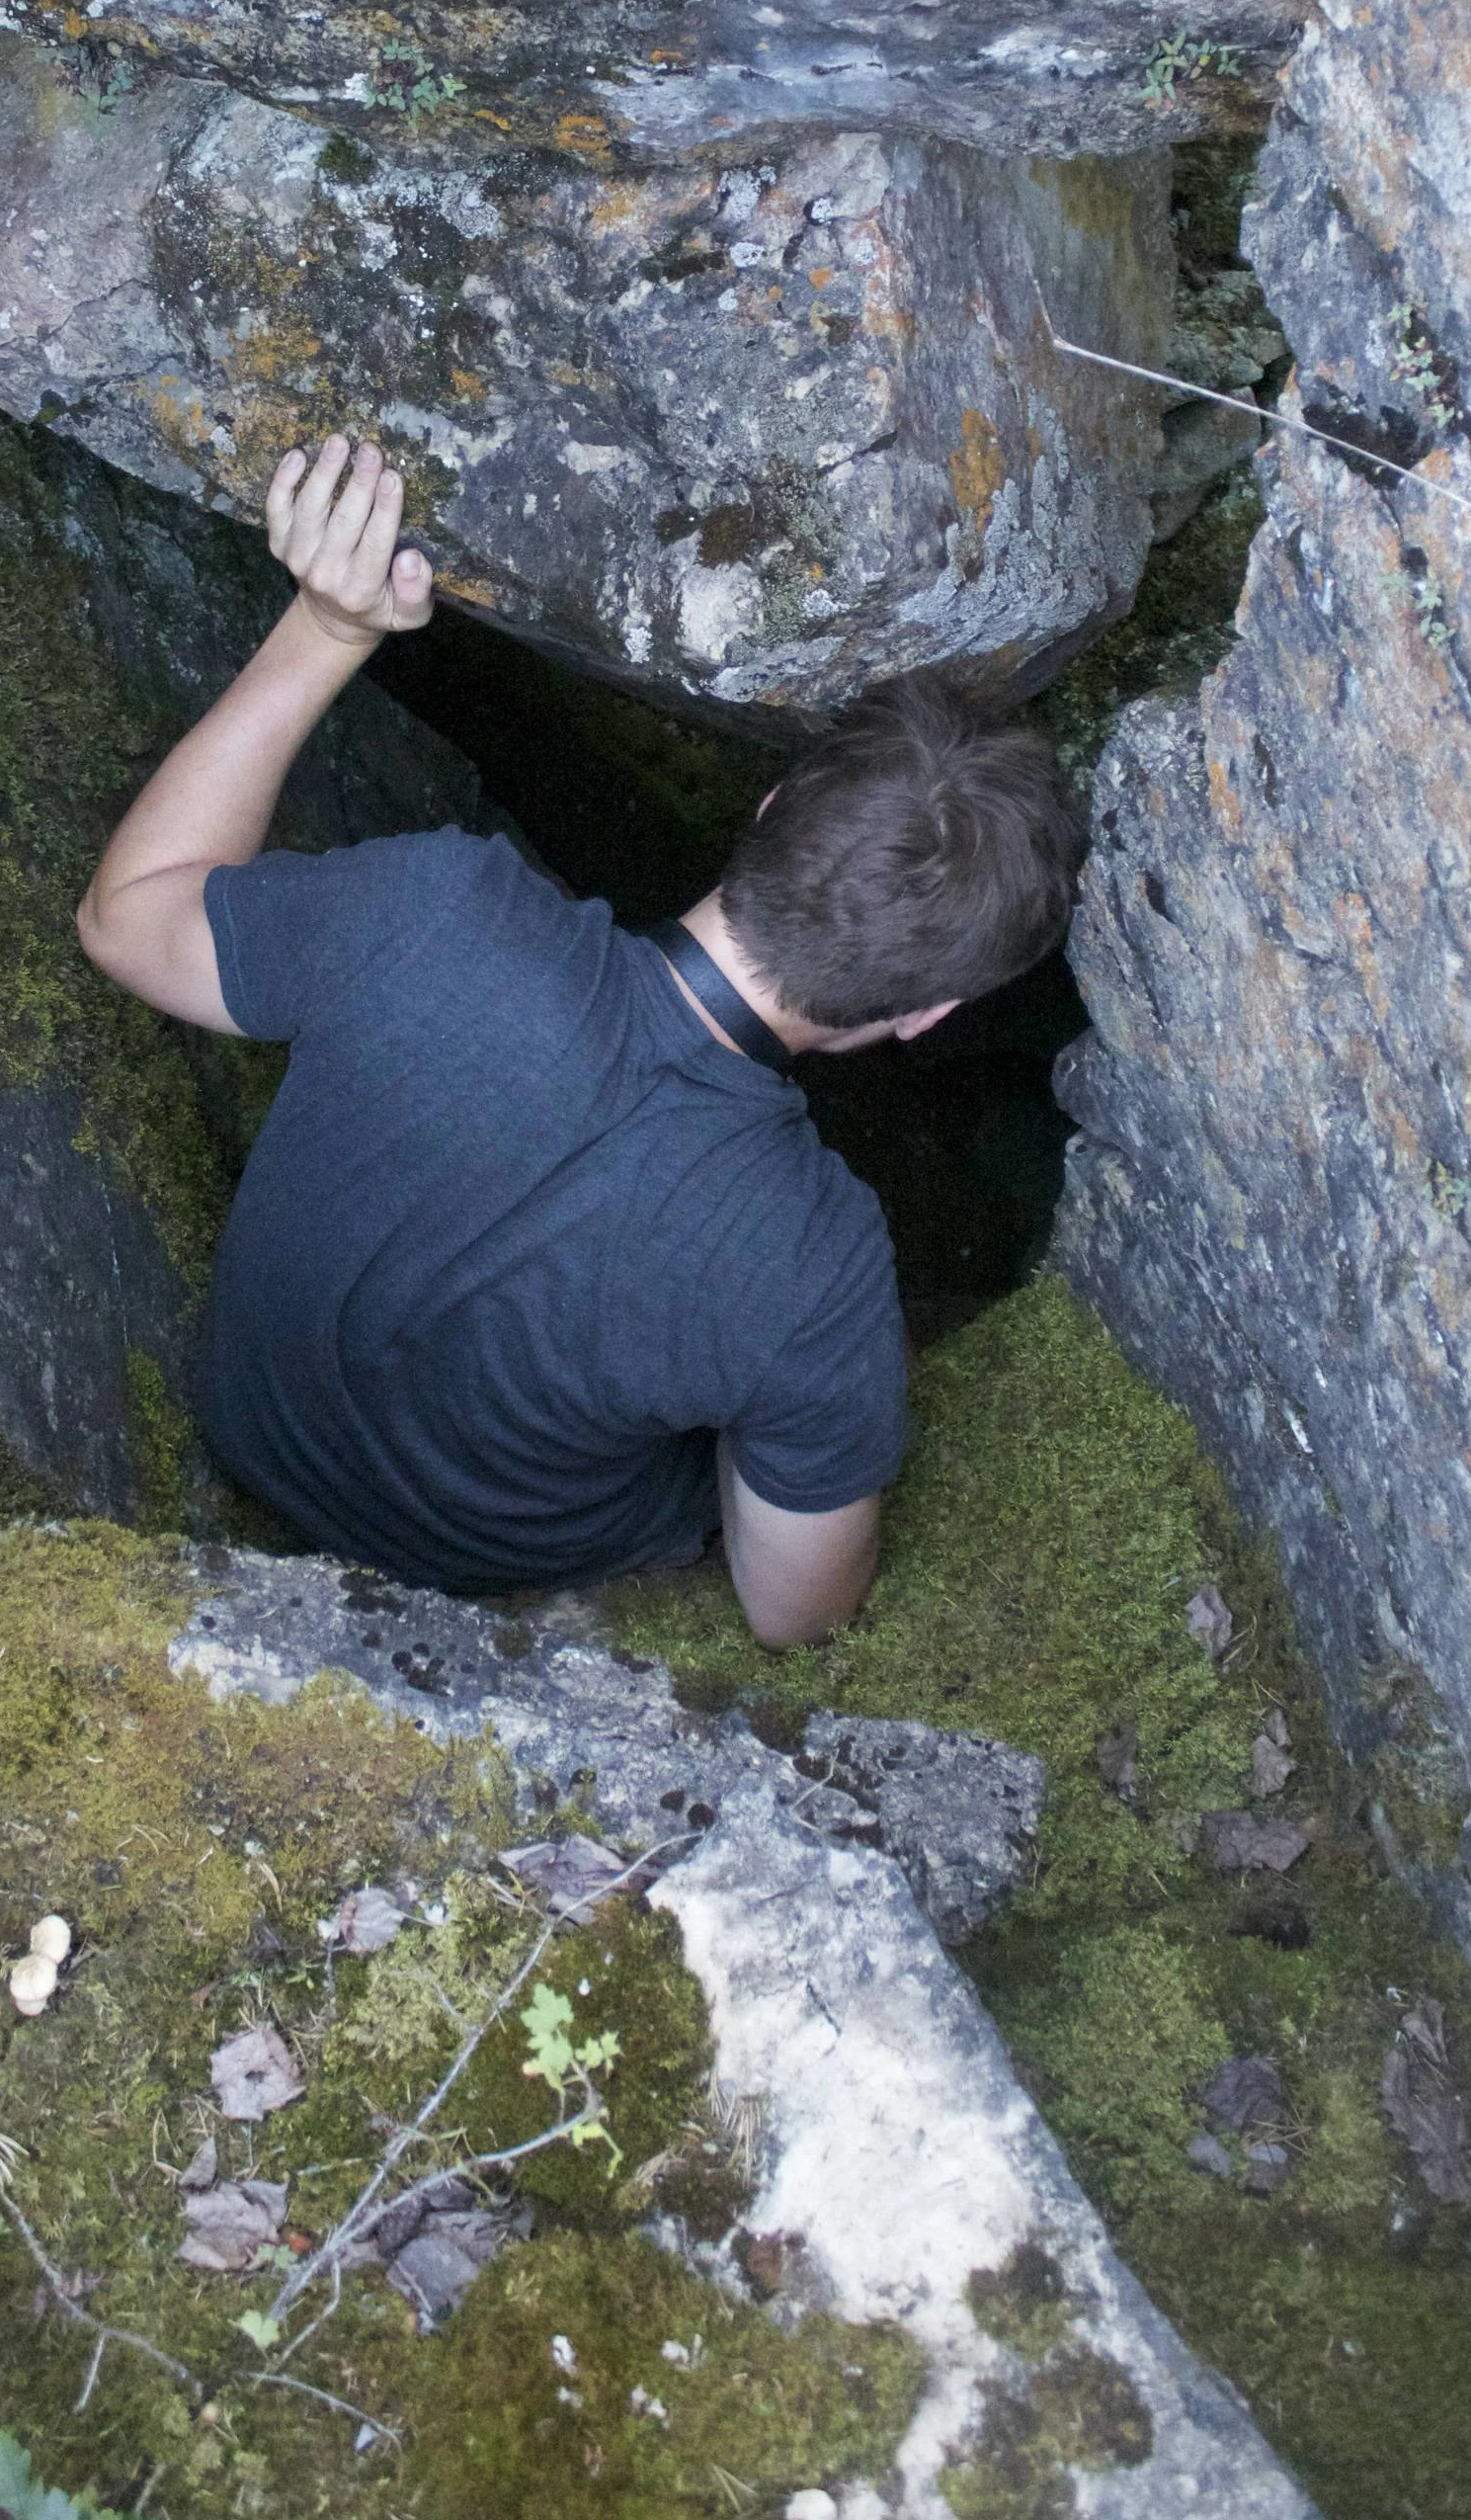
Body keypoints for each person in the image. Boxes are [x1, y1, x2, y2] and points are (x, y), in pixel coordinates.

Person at [76, 436, 1085, 1646]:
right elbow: (791, 1617)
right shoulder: (812, 1273)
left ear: (762, 810)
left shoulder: (435, 914)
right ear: (927, 1016)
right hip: (481, 1569)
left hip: (255, 1423)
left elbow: (126, 923)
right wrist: (819, 1386)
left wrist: (327, 630)